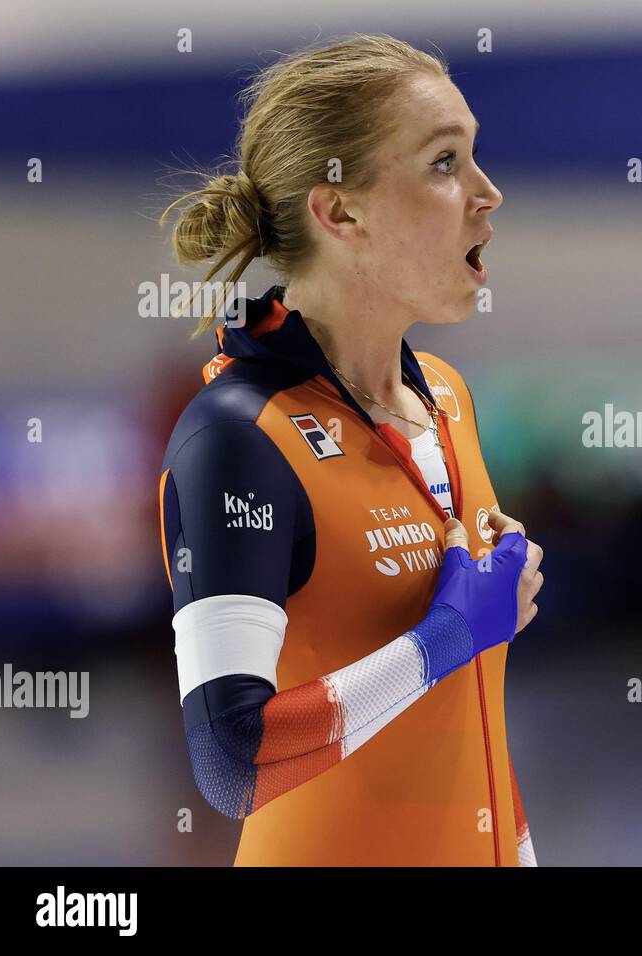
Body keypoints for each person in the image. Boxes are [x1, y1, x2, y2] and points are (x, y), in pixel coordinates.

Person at [155, 33, 544, 866]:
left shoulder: (444, 396)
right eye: (445, 163)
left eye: (475, 157)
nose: (488, 193)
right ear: (339, 211)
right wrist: (446, 638)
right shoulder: (238, 439)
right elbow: (230, 759)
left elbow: (467, 725)